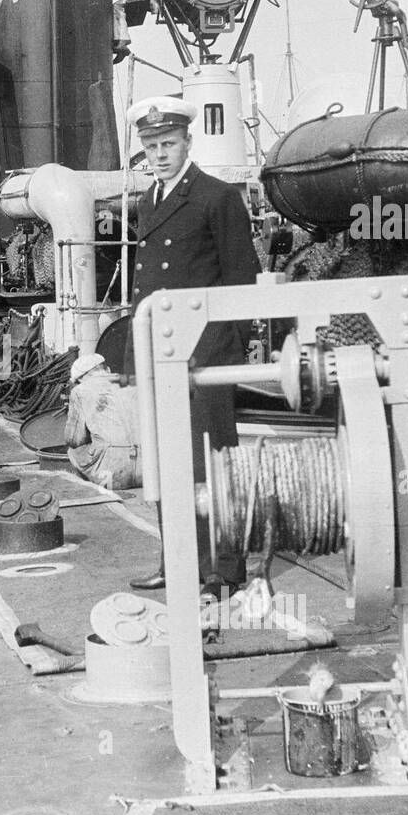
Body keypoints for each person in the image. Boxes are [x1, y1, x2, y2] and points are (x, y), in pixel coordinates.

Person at [124, 95, 261, 593]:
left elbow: (240, 278)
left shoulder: (217, 198)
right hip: (161, 353)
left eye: (168, 144)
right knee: (165, 460)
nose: (160, 154)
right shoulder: (149, 201)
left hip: (206, 356)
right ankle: (176, 560)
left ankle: (224, 570)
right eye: (152, 146)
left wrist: (225, 354)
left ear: (187, 142)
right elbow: (146, 287)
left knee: (211, 463)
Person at [64, 353, 142, 490]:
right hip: (147, 470)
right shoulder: (134, 382)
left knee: (73, 451)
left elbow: (73, 439)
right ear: (108, 370)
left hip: (112, 473)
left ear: (80, 378)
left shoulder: (80, 390)